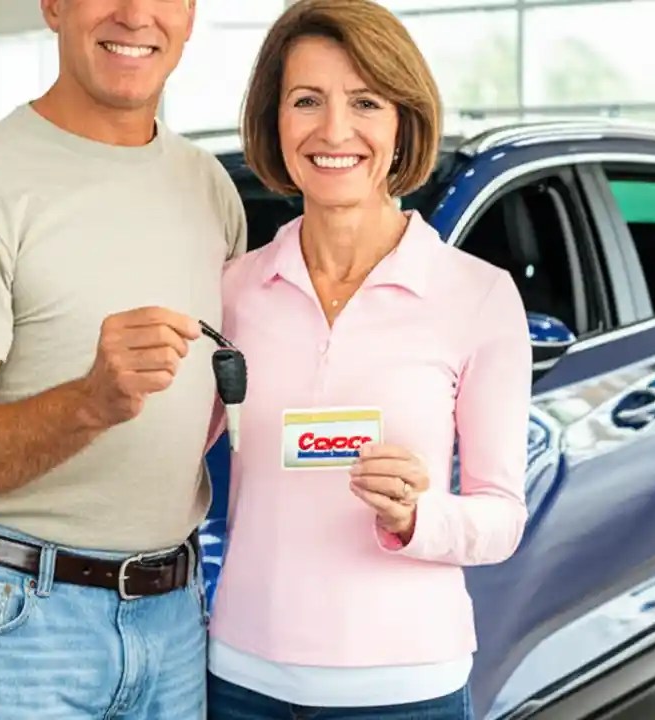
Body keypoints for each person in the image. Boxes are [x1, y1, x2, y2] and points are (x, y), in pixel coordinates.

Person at [0, 0, 246, 717]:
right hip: (14, 627)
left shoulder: (209, 188)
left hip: (173, 615)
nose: (137, 15)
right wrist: (89, 403)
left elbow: (205, 409)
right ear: (53, 6)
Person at [205, 0, 531, 718]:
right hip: (240, 681)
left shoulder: (477, 296)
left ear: (402, 123)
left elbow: (502, 517)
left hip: (405, 688)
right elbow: (170, 459)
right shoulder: (233, 292)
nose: (334, 130)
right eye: (306, 101)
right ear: (275, 122)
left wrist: (419, 517)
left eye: (365, 102)